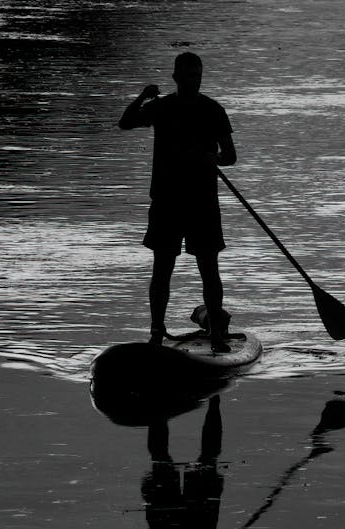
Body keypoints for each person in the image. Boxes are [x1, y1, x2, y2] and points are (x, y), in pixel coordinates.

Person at [118, 52, 237, 352]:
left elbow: (230, 155)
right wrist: (142, 96)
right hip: (167, 201)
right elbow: (126, 122)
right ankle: (157, 332)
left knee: (209, 268)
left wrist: (215, 157)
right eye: (187, 76)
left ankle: (217, 336)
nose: (192, 81)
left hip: (202, 202)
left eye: (197, 76)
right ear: (176, 77)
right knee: (162, 269)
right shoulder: (161, 107)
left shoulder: (213, 110)